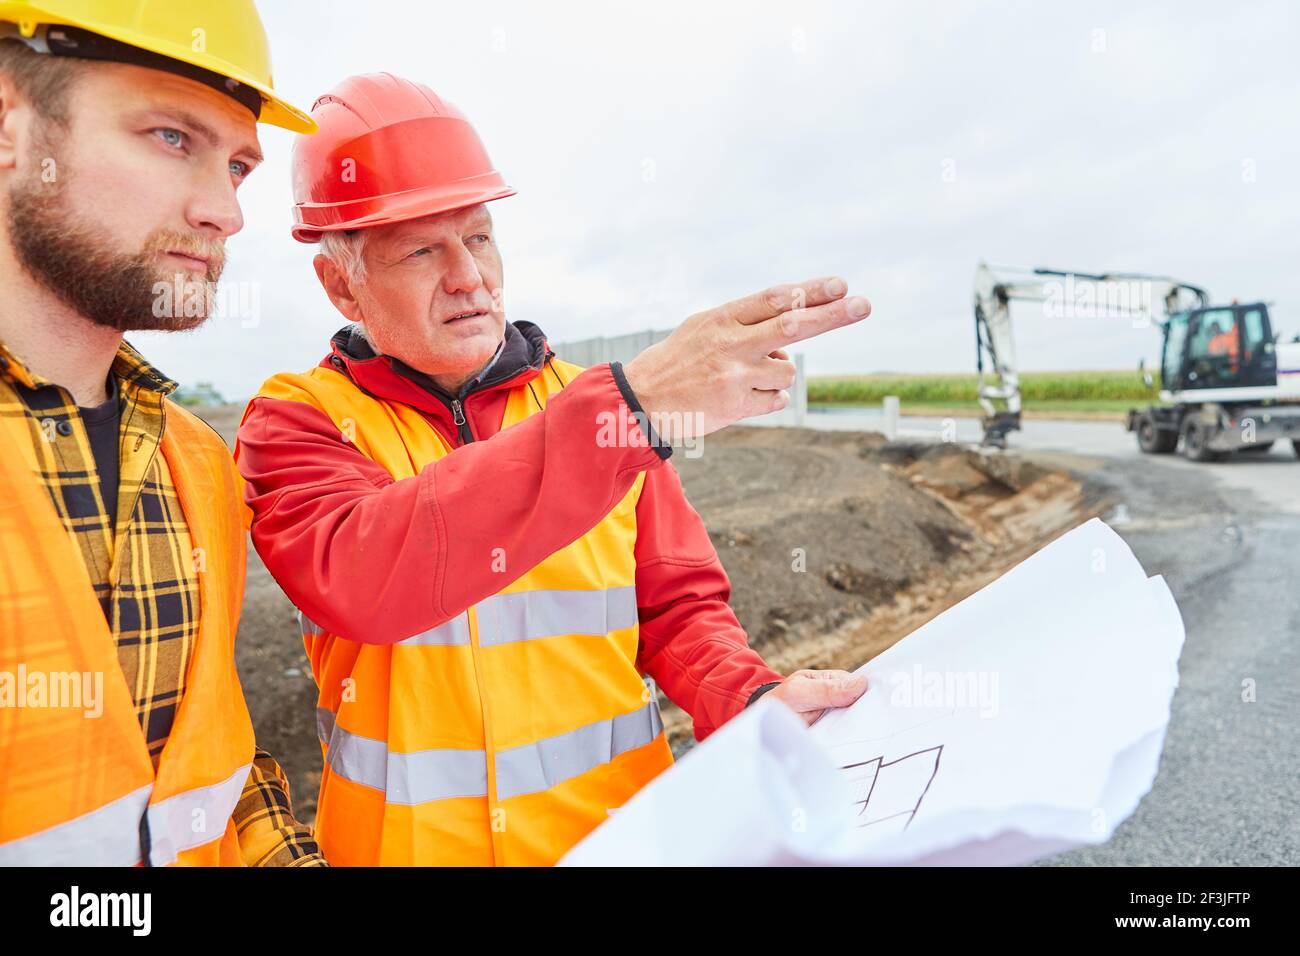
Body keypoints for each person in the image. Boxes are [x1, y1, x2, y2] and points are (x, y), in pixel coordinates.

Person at [235, 73, 871, 866]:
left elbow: (676, 607)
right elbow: (368, 574)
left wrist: (747, 697)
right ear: (341, 286)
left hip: (618, 846)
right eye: (422, 250)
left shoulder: (586, 403)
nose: (468, 275)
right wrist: (628, 414)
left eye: (478, 236)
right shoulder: (296, 420)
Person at [0, 0, 325, 865]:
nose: (226, 211)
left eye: (242, 166)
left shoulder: (196, 461)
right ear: (8, 123)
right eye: (173, 137)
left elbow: (208, 765)